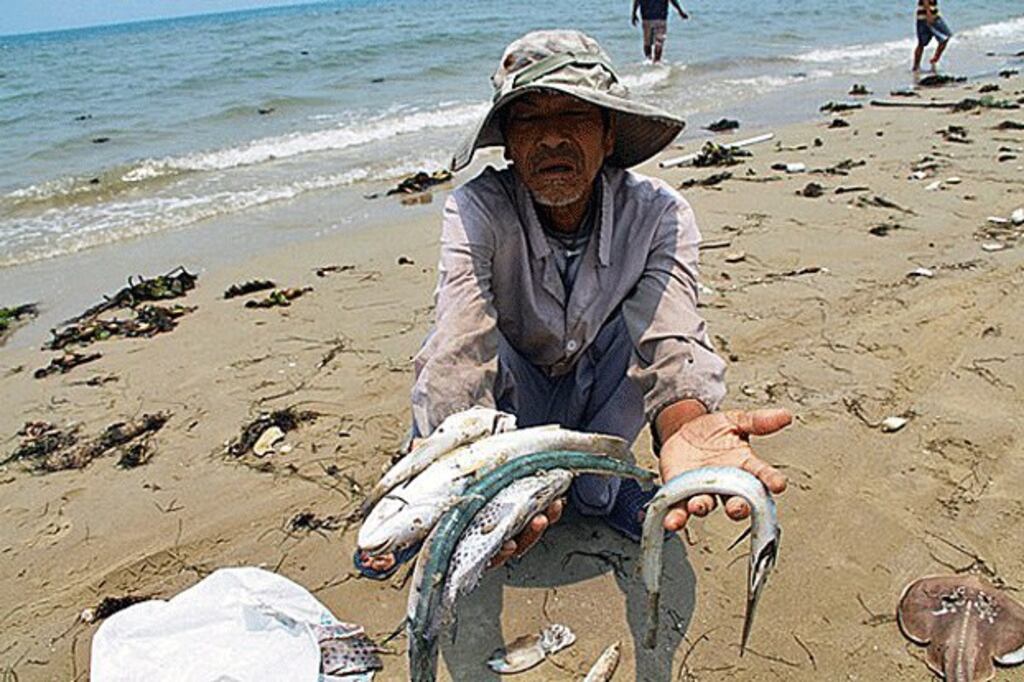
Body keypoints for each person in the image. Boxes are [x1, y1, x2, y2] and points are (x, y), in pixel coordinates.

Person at [356, 30, 790, 578]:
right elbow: (459, 349)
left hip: (600, 393)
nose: (552, 138)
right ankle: (437, 498)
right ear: (508, 143)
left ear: (609, 134)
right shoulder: (476, 211)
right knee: (459, 359)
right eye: (529, 119)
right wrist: (462, 474)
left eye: (576, 115)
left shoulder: (660, 214)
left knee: (636, 343)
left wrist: (683, 430)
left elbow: (673, 342)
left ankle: (602, 490)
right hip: (511, 397)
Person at [631, 0, 689, 64]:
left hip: (646, 18)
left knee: (647, 42)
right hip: (661, 18)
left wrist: (633, 14)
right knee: (659, 42)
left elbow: (636, 1)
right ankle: (657, 61)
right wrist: (680, 12)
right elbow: (673, 1)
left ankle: (648, 61)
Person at [913, 0, 953, 72]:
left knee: (921, 43)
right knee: (945, 36)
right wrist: (928, 13)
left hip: (931, 16)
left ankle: (919, 65)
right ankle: (932, 61)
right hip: (928, 17)